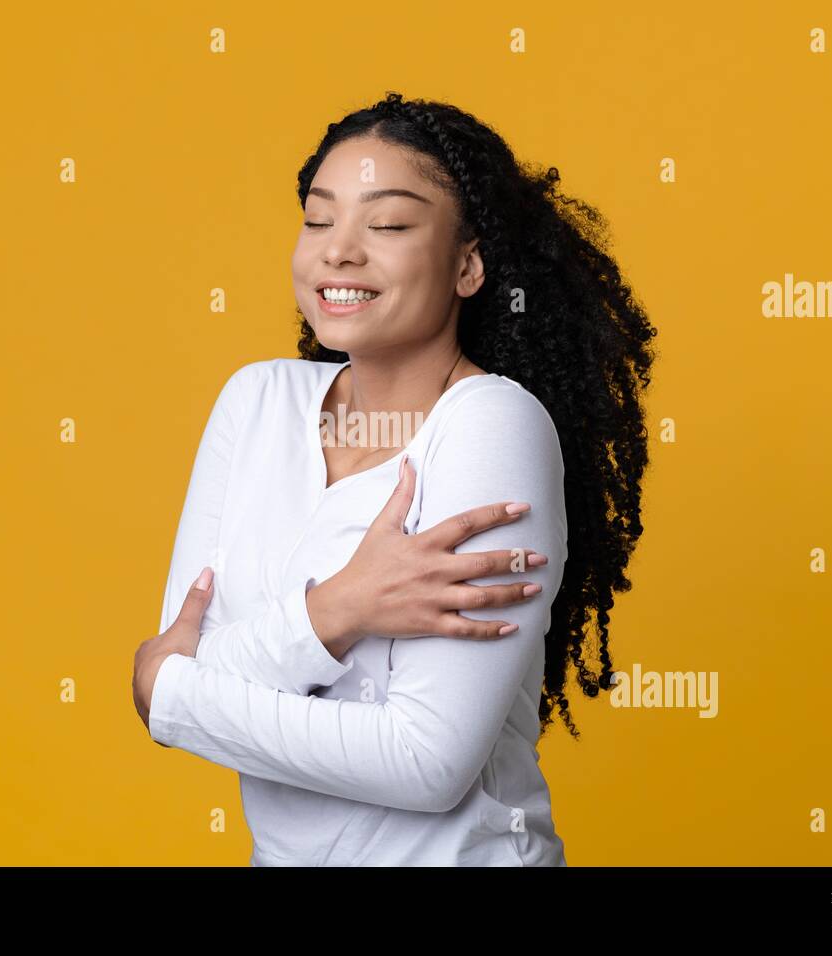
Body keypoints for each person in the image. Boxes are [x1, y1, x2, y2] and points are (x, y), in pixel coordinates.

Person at [132, 91, 658, 865]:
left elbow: (427, 763)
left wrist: (169, 694)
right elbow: (192, 667)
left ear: (468, 265)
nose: (338, 251)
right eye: (319, 219)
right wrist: (340, 609)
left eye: (387, 224)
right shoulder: (256, 402)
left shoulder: (489, 426)